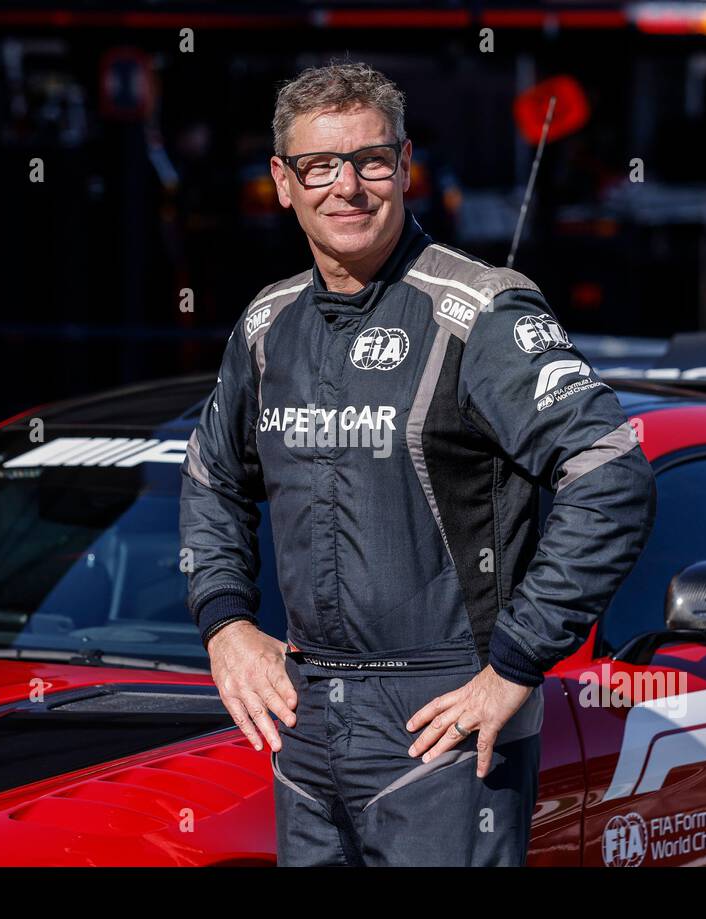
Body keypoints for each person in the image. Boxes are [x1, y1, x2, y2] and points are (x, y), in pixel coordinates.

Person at [179, 61, 656, 866]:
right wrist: (225, 622)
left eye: (369, 161)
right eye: (319, 166)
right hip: (303, 716)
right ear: (283, 182)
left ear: (404, 167)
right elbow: (210, 479)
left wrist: (516, 663)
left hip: (446, 716)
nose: (347, 187)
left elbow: (610, 473)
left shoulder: (479, 311)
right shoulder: (268, 323)